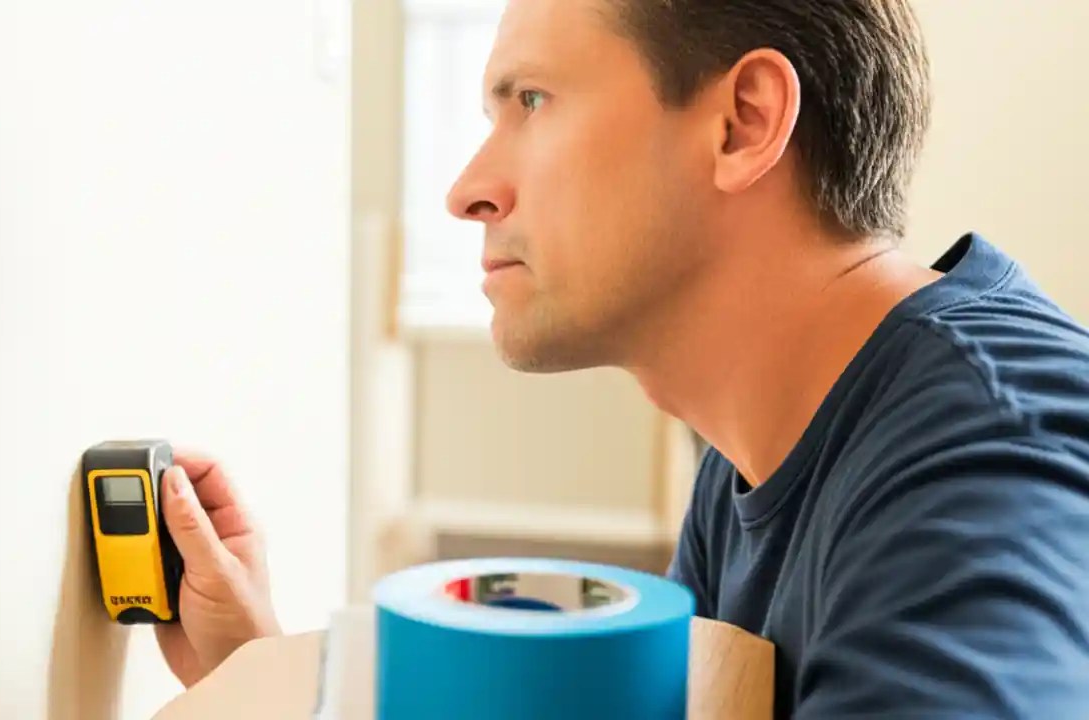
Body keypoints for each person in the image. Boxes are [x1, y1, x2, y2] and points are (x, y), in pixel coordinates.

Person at [154, 0, 1089, 716]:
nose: (468, 190)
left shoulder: (982, 475)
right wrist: (259, 678)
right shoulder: (753, 441)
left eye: (532, 100)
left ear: (743, 122)